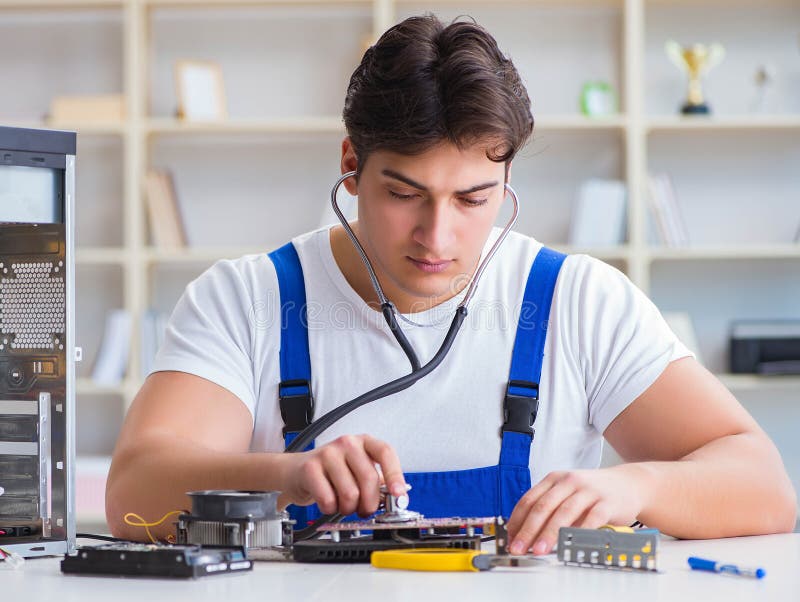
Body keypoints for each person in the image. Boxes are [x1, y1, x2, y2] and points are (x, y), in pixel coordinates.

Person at [106, 15, 796, 552]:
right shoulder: (247, 299)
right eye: (405, 194)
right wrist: (286, 476)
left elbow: (764, 486)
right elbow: (134, 490)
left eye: (472, 199)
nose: (437, 239)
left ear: (507, 182)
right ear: (351, 164)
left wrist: (638, 484)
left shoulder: (578, 301)